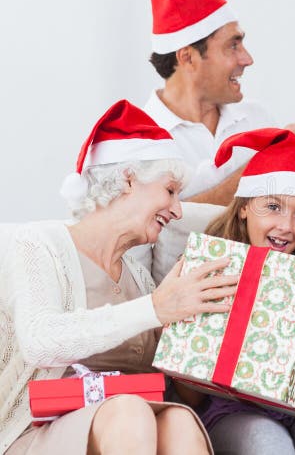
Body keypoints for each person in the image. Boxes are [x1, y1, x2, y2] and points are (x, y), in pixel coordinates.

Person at [2, 100, 240, 454]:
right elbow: (40, 341)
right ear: (128, 180)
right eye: (170, 191)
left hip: (128, 425)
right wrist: (155, 309)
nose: (178, 210)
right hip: (39, 430)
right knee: (129, 411)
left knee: (179, 419)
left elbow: (174, 387)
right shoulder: (39, 243)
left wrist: (205, 333)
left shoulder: (139, 278)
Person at [172, 128, 295, 455]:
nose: (286, 226)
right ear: (244, 207)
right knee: (266, 441)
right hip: (234, 411)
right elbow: (190, 397)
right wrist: (183, 331)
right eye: (273, 207)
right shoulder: (207, 271)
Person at [145, 0, 295, 205]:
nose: (247, 59)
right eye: (233, 46)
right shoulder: (143, 140)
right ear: (188, 58)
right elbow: (167, 223)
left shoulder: (257, 118)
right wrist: (270, 161)